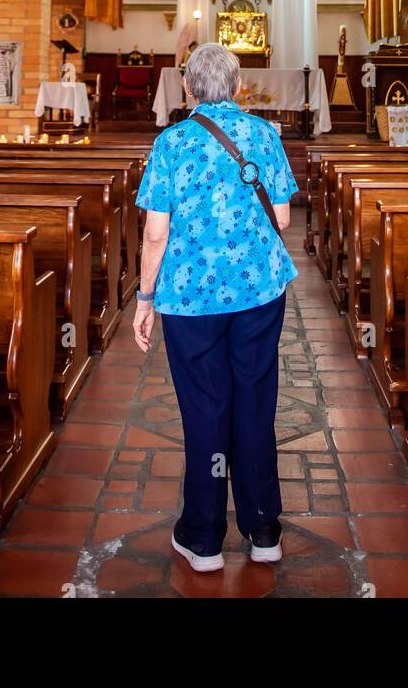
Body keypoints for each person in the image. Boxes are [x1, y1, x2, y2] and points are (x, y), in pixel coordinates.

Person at [133, 42, 298, 573]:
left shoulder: (172, 142)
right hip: (258, 290)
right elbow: (285, 218)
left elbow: (155, 235)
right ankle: (263, 529)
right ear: (238, 86)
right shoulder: (265, 134)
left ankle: (203, 538)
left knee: (205, 408)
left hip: (189, 295)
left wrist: (143, 299)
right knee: (254, 400)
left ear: (188, 88)